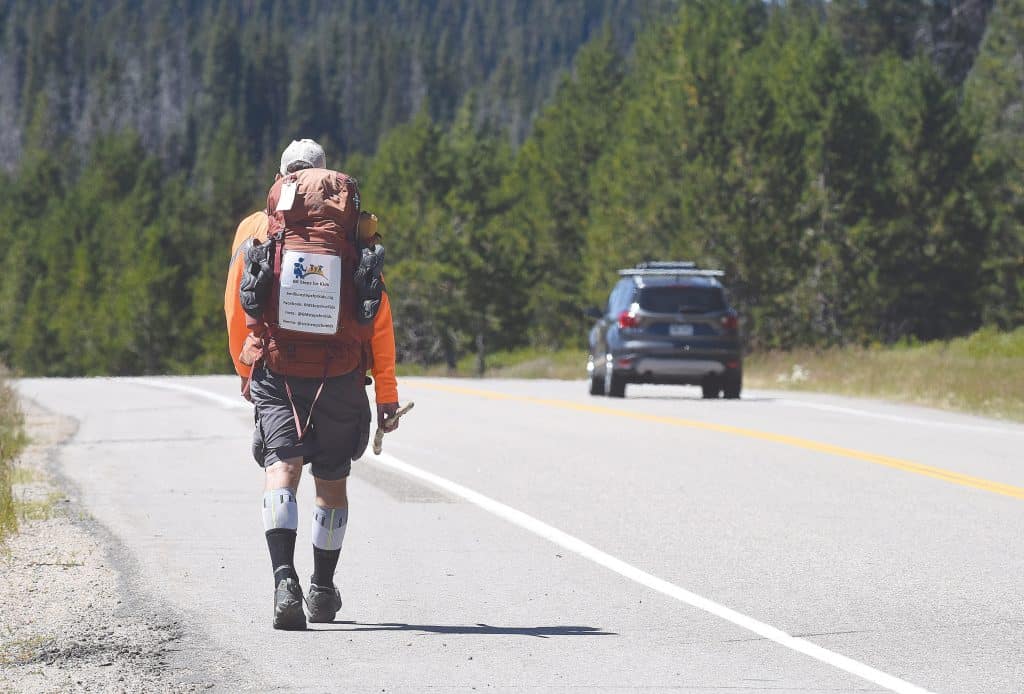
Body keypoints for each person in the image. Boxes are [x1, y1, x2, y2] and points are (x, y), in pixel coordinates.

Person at [224, 139, 401, 630]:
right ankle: (322, 590)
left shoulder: (255, 231)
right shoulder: (353, 233)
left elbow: (239, 307)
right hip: (341, 373)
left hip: (277, 370)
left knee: (282, 469)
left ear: (282, 179)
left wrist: (247, 369)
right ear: (327, 179)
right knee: (331, 482)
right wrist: (385, 394)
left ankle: (284, 579)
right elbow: (378, 321)